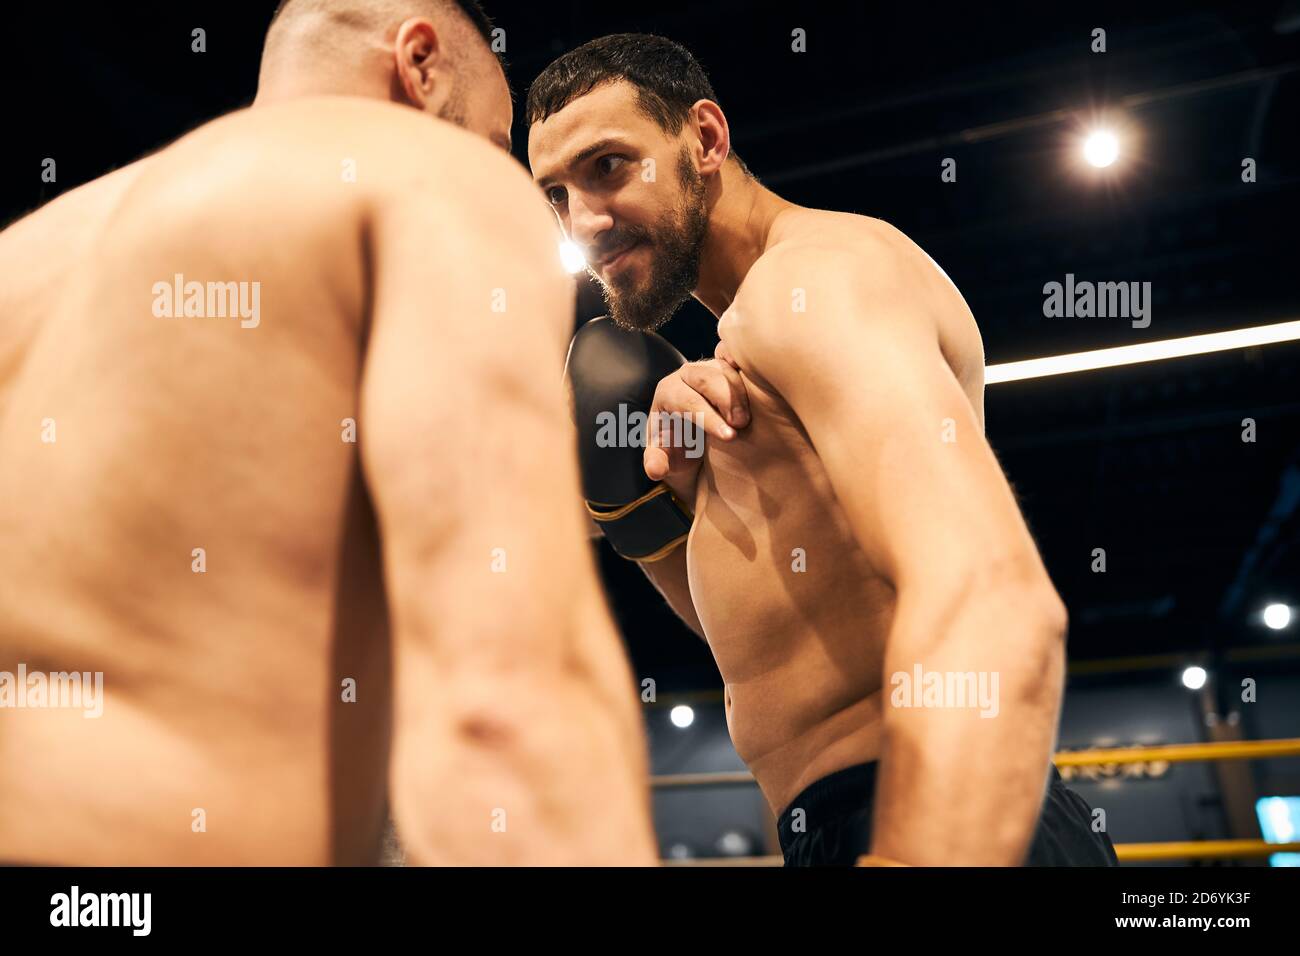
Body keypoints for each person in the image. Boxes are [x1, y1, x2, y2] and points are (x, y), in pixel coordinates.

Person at [0, 1, 656, 866]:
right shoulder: (421, 177)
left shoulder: (27, 254)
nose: (499, 175)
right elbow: (504, 698)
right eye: (497, 143)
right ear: (420, 64)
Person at [533, 33, 1117, 865]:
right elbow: (782, 658)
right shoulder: (752, 341)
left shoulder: (814, 284)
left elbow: (995, 596)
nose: (582, 221)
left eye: (608, 167)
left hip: (933, 804)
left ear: (704, 139)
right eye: (555, 194)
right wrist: (659, 524)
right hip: (842, 814)